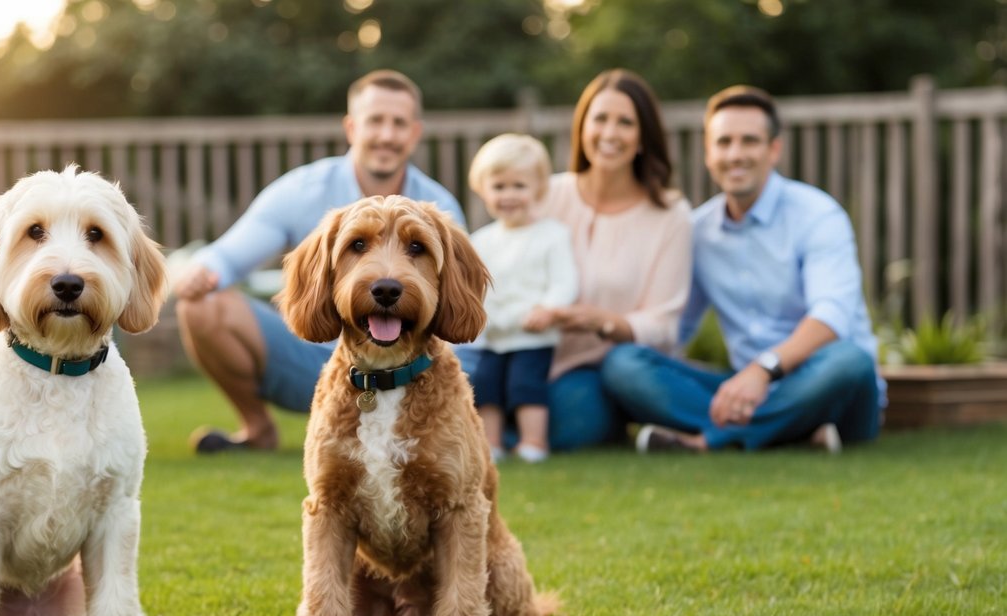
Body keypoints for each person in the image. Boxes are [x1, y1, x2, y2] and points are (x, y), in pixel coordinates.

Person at [173, 70, 466, 453]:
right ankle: (258, 428)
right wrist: (198, 273)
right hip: (312, 355)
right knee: (203, 306)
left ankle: (407, 440)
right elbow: (227, 255)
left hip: (410, 370)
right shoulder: (303, 190)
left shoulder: (440, 210)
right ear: (351, 127)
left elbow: (461, 310)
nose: (387, 135)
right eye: (375, 121)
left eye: (399, 123)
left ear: (414, 133)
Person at [601, 85, 883, 453]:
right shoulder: (698, 231)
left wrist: (762, 370)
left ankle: (708, 440)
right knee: (624, 363)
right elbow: (677, 329)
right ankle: (794, 434)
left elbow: (832, 316)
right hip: (744, 388)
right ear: (708, 153)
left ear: (774, 149)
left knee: (850, 361)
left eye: (749, 141)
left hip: (824, 384)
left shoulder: (818, 215)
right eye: (723, 142)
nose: (735, 154)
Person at [523, 69, 693, 451]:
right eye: (600, 119)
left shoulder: (670, 213)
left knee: (601, 393)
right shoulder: (546, 195)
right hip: (538, 361)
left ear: (643, 137)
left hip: (617, 365)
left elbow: (664, 325)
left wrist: (601, 321)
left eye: (625, 122)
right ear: (583, 127)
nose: (610, 133)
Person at [465, 134, 577, 463]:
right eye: (499, 187)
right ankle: (491, 443)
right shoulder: (480, 241)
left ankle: (533, 442)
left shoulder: (552, 235)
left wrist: (550, 308)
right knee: (485, 385)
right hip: (494, 335)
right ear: (483, 190)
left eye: (519, 186)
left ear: (538, 189)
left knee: (524, 385)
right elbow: (475, 287)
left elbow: (564, 280)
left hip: (532, 331)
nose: (509, 195)